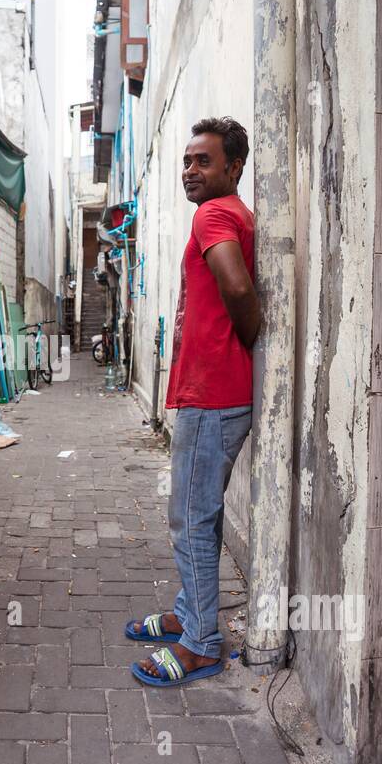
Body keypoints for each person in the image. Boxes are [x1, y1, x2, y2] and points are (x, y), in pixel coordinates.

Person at [127, 117, 262, 687]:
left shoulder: (214, 214)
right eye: (187, 160)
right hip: (214, 393)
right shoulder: (232, 213)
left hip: (214, 396)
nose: (190, 170)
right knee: (197, 514)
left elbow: (236, 289)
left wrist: (249, 339)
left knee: (190, 519)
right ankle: (189, 614)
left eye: (203, 161)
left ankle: (202, 641)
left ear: (233, 168)